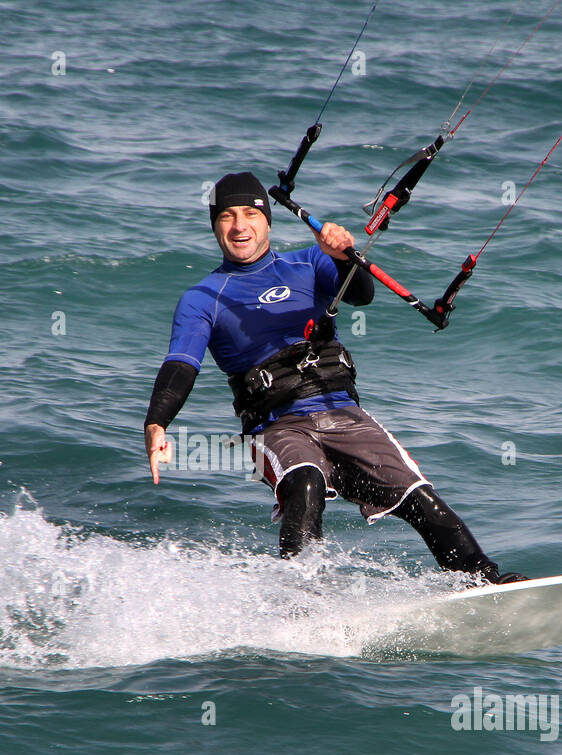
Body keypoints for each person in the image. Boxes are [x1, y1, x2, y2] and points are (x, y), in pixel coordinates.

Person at [144, 170, 526, 584]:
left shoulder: (308, 262)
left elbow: (362, 294)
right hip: (274, 427)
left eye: (249, 215)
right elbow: (182, 363)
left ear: (267, 221)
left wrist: (343, 256)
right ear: (215, 225)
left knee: (418, 496)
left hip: (341, 411)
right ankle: (302, 604)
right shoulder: (202, 298)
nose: (239, 226)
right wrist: (158, 421)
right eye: (226, 216)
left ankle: (485, 581)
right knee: (303, 484)